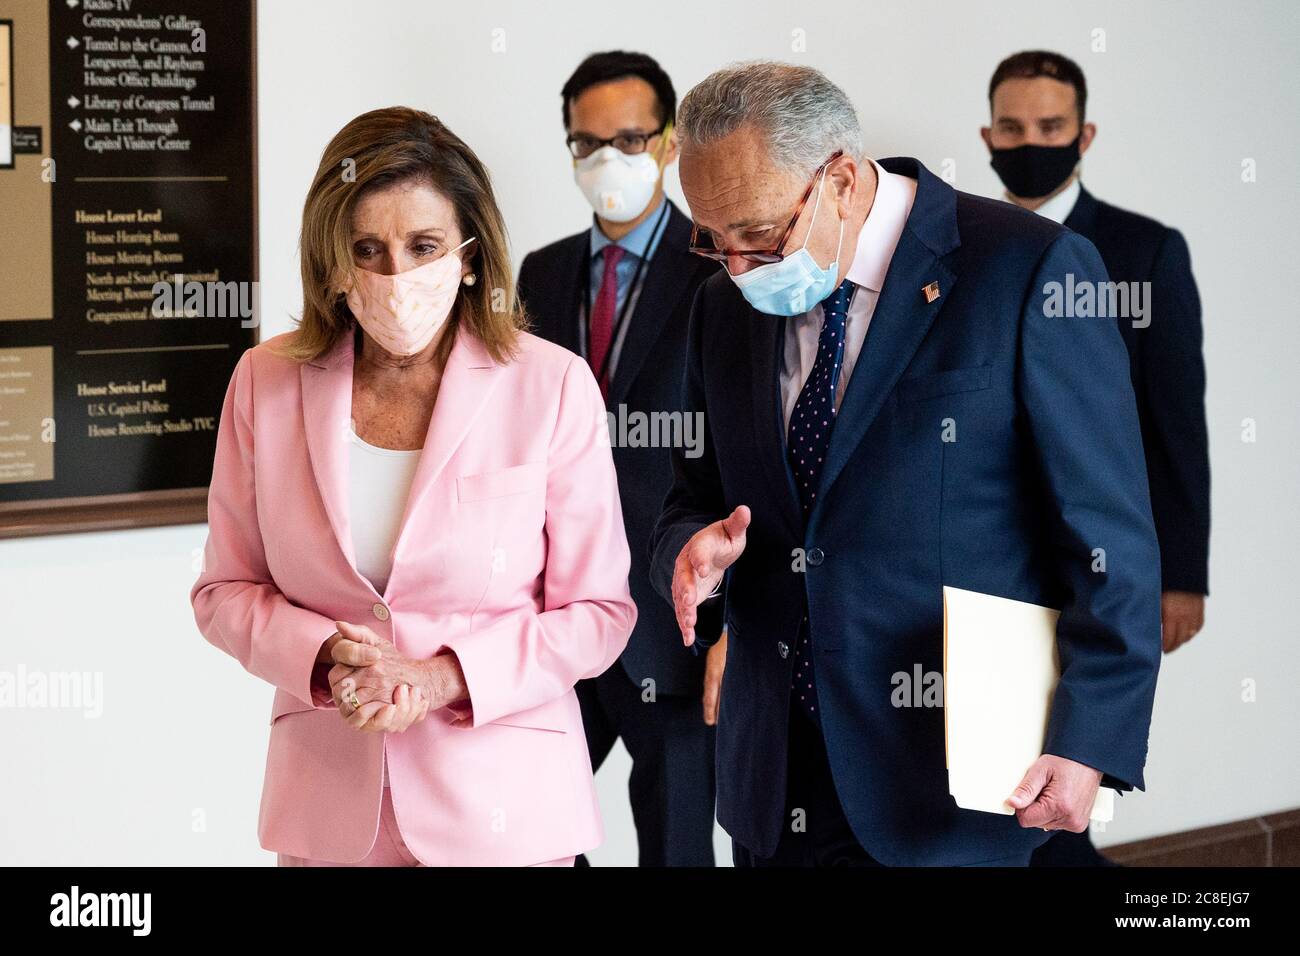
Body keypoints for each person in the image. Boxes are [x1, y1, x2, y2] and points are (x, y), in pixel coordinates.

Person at [650, 62, 1163, 866]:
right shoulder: (721, 304)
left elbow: (1109, 537)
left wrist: (1090, 737)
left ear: (843, 179)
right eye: (714, 242)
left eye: (758, 234)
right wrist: (685, 552)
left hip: (952, 781)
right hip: (775, 778)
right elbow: (694, 492)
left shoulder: (1029, 269)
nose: (739, 265)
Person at [190, 106, 636, 867]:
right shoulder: (263, 384)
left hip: (505, 815)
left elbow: (599, 612)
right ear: (333, 261)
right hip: (329, 811)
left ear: (469, 255)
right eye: (367, 249)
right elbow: (225, 591)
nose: (395, 276)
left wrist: (440, 678)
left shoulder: (551, 385)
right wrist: (326, 654)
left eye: (423, 246)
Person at [981, 49, 1211, 866]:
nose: (1030, 140)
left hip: (1103, 561)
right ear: (986, 135)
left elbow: (1176, 426)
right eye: (1012, 126)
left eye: (1049, 126)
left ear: (1085, 133)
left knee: (1070, 761)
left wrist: (1181, 576)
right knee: (1002, 769)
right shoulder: (963, 249)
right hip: (994, 570)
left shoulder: (1144, 251)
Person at [518, 50, 722, 867]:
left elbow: (743, 448)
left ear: (670, 143)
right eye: (587, 143)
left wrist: (729, 626)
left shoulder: (722, 262)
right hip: (555, 614)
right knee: (532, 831)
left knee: (675, 846)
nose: (608, 161)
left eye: (630, 139)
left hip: (671, 617)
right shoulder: (542, 271)